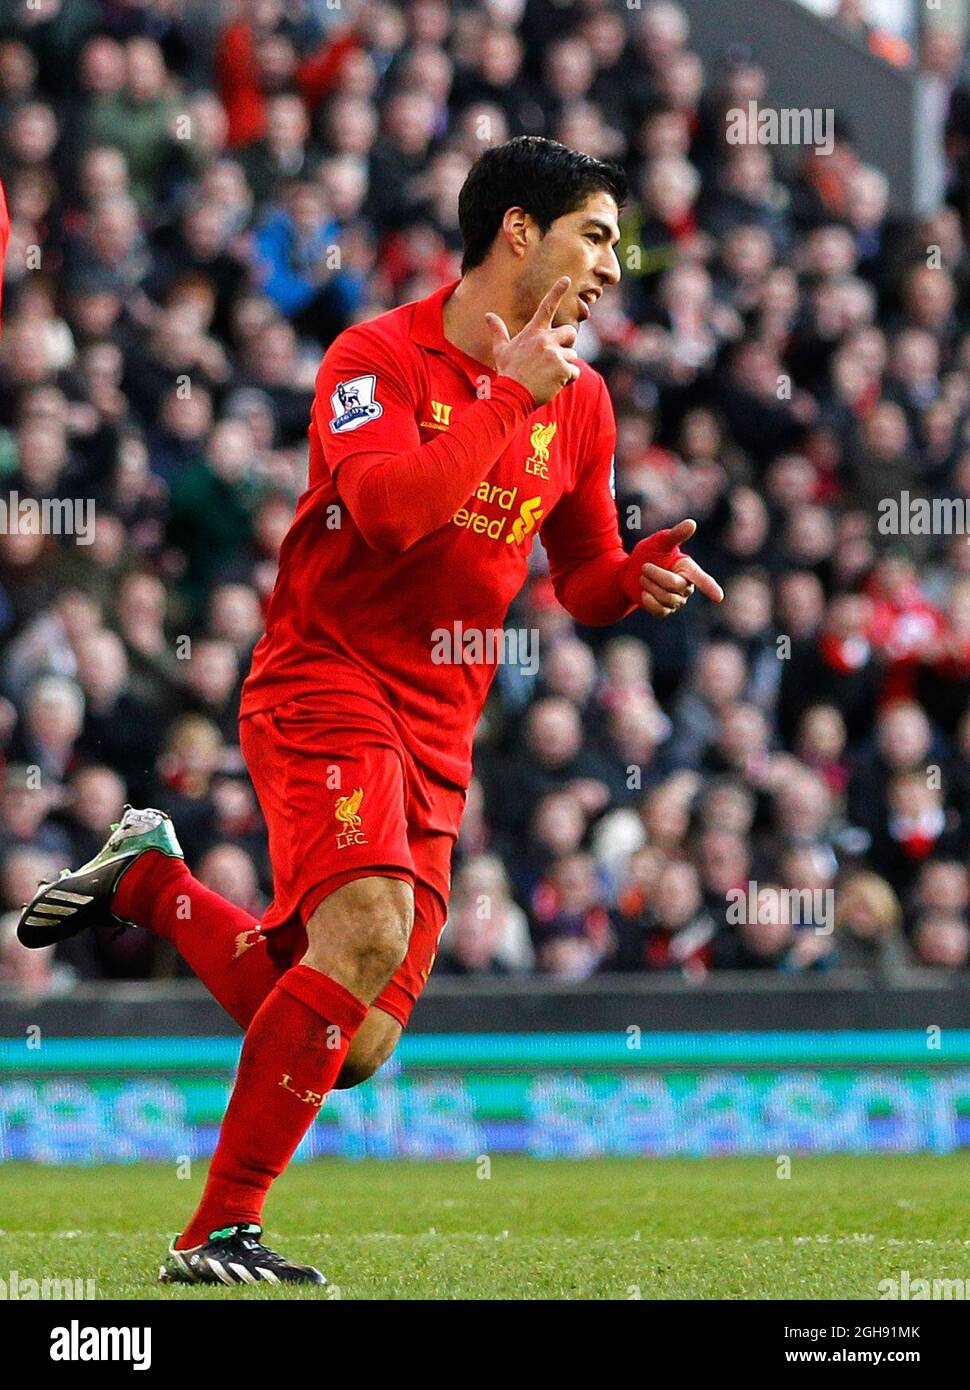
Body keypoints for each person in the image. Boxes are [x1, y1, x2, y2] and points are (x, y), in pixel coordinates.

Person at [17, 136, 722, 1285]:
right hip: (324, 677)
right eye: (595, 235)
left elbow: (579, 573)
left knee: (357, 1043)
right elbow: (391, 513)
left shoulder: (582, 398)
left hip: (441, 725)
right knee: (368, 931)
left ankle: (148, 884)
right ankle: (217, 1230)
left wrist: (629, 577)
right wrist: (506, 396)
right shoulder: (378, 356)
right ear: (518, 232)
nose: (612, 264)